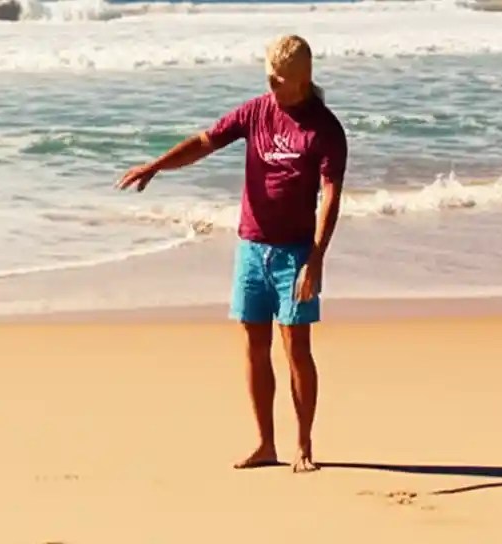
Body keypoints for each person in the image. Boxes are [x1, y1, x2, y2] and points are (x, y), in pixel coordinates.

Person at [116, 34, 347, 473]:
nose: (271, 86)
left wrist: (315, 258)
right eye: (268, 77)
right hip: (251, 247)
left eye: (278, 80)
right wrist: (156, 165)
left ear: (302, 81)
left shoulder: (325, 129)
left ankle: (303, 446)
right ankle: (265, 444)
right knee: (254, 347)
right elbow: (205, 141)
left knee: (296, 348)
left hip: (295, 254)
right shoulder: (256, 111)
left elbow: (332, 196)